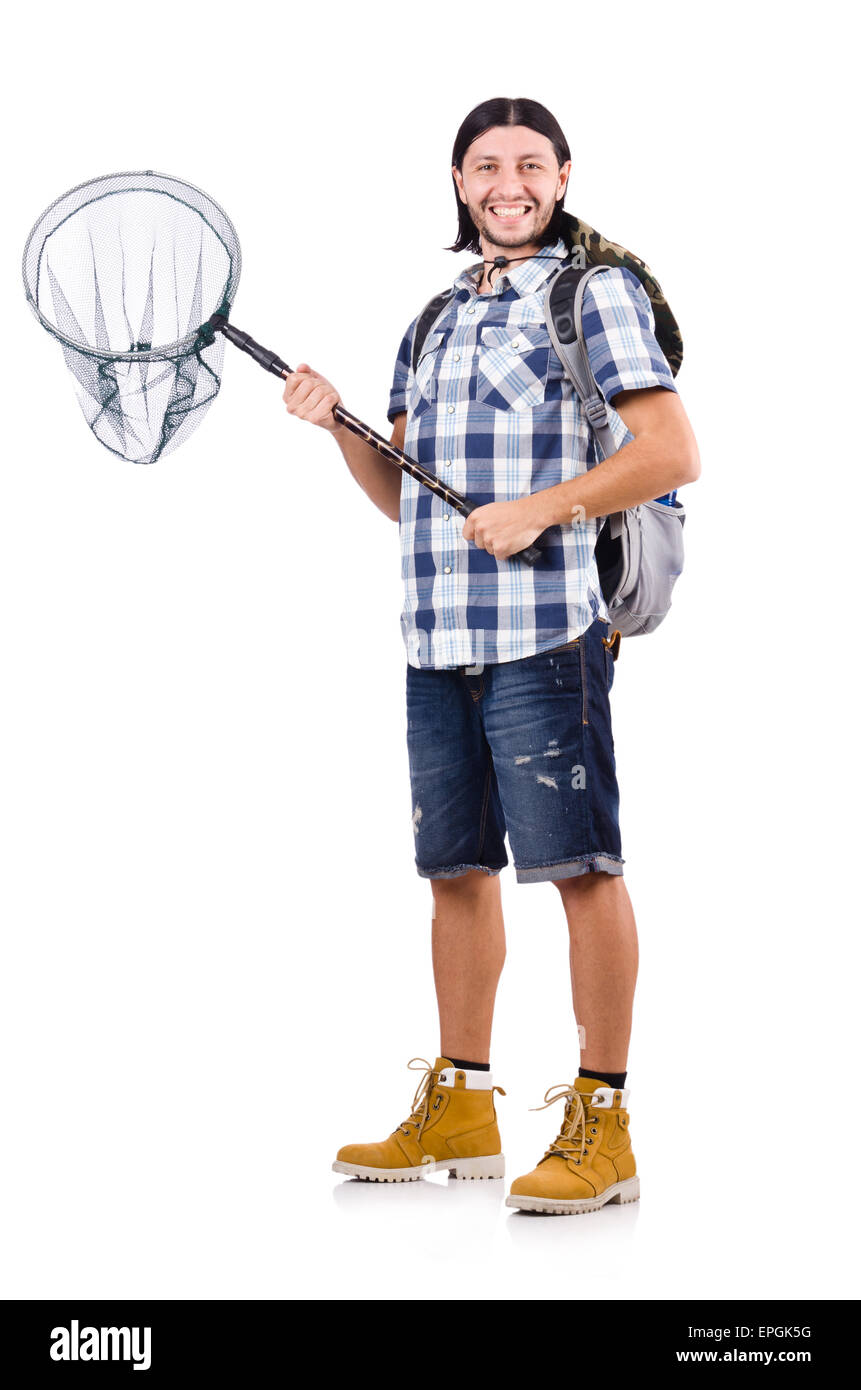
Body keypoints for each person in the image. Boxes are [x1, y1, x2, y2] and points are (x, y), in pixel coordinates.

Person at [282, 96, 700, 1214]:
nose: (505, 182)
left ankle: (603, 1124)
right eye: (484, 165)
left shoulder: (592, 292)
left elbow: (672, 449)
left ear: (563, 177)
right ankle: (461, 1102)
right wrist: (340, 430)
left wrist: (544, 508)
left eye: (528, 164)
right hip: (435, 635)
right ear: (458, 182)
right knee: (455, 873)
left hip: (549, 633)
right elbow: (404, 500)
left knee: (580, 868)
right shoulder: (431, 319)